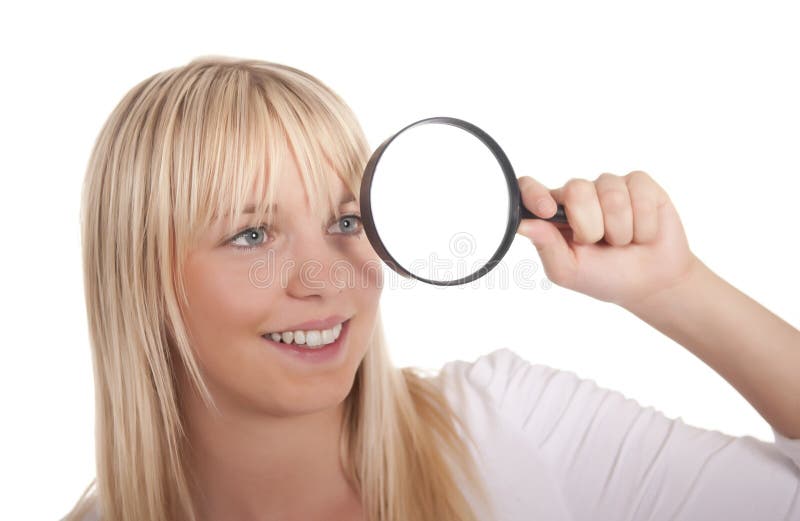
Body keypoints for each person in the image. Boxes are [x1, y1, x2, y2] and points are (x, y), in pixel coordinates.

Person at [64, 56, 800, 521]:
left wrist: (676, 288)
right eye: (251, 233)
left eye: (346, 218)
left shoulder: (506, 426)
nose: (325, 278)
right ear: (141, 279)